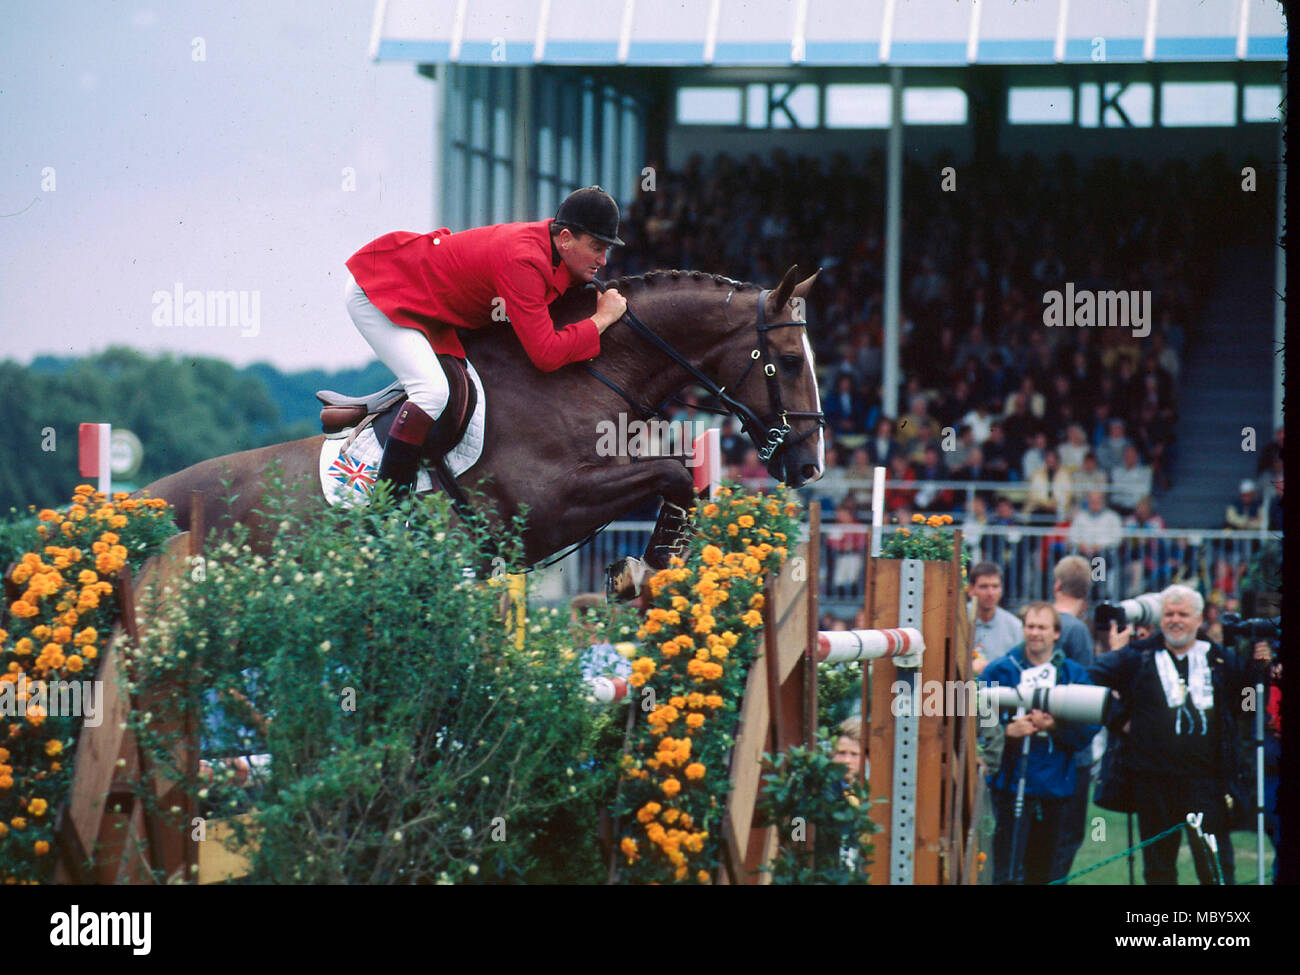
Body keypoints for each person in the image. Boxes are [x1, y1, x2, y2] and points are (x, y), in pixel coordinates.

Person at [344, 186, 629, 494]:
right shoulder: (525, 260)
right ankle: (388, 508)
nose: (602, 260)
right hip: (379, 288)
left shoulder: (557, 251)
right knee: (432, 392)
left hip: (431, 304)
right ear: (565, 239)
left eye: (606, 250)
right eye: (597, 247)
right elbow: (546, 354)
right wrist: (602, 319)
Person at [1090, 585, 1272, 884]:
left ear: (1199, 619)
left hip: (1206, 782)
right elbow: (1092, 678)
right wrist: (1118, 719)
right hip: (1152, 780)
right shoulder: (1138, 656)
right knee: (1158, 869)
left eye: (1183, 614)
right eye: (1169, 614)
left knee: (1215, 865)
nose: (1175, 620)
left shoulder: (1220, 659)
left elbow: (1247, 707)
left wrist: (1256, 673)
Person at [982, 603, 1099, 884]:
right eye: (1030, 627)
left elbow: (1089, 727)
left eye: (1042, 627)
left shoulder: (1072, 674)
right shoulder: (1000, 670)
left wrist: (1055, 728)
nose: (1035, 634)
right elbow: (975, 719)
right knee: (1005, 868)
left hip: (1054, 787)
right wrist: (1005, 732)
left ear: (1056, 633)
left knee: (1044, 870)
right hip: (1009, 785)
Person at [968, 562, 1023, 676]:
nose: (990, 593)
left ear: (1001, 589)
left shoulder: (1015, 626)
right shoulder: (959, 620)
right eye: (984, 587)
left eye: (995, 586)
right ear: (971, 590)